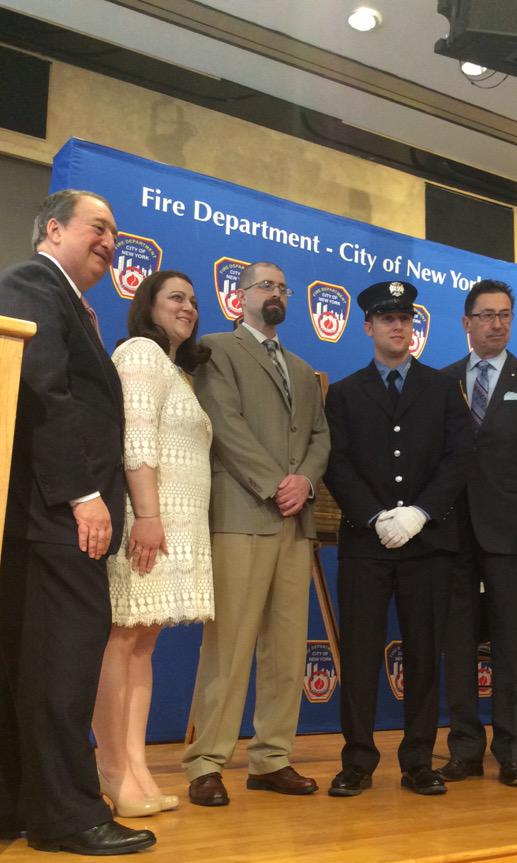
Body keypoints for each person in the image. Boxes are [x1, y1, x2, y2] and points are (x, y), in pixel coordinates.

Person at [0, 189, 155, 854]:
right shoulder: (33, 283)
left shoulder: (73, 303)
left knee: (33, 672)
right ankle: (68, 815)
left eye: (116, 233)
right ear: (53, 228)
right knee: (61, 672)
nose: (110, 241)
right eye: (98, 227)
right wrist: (81, 493)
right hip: (56, 515)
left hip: (50, 518)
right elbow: (45, 388)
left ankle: (23, 806)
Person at [183, 261, 330, 804]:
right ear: (237, 295)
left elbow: (320, 436)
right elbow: (223, 422)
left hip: (295, 521)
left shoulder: (301, 366)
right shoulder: (218, 350)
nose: (275, 293)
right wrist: (276, 484)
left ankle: (272, 758)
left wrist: (305, 482)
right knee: (230, 644)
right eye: (264, 285)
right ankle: (206, 761)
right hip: (243, 513)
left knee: (288, 648)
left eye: (282, 286)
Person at [324, 280, 471, 797]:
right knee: (360, 653)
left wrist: (420, 512)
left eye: (405, 319)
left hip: (428, 543)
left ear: (414, 328)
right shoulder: (343, 393)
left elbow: (458, 459)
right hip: (367, 544)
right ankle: (357, 761)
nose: (397, 327)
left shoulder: (442, 388)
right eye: (387, 319)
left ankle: (418, 761)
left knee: (426, 653)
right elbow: (336, 463)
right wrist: (374, 516)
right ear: (367, 327)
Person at [92, 271, 214, 817]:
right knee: (121, 641)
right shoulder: (139, 351)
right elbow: (135, 436)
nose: (187, 307)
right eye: (175, 298)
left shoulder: (174, 369)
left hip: (173, 529)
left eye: (192, 300)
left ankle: (137, 767)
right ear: (148, 306)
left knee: (143, 644)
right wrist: (146, 516)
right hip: (148, 524)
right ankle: (112, 770)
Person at [440, 280, 517, 787]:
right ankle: (466, 749)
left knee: (513, 644)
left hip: (513, 531)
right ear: (466, 323)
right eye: (486, 315)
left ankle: (514, 750)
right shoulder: (442, 380)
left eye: (504, 314)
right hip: (451, 531)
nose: (497, 323)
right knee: (459, 642)